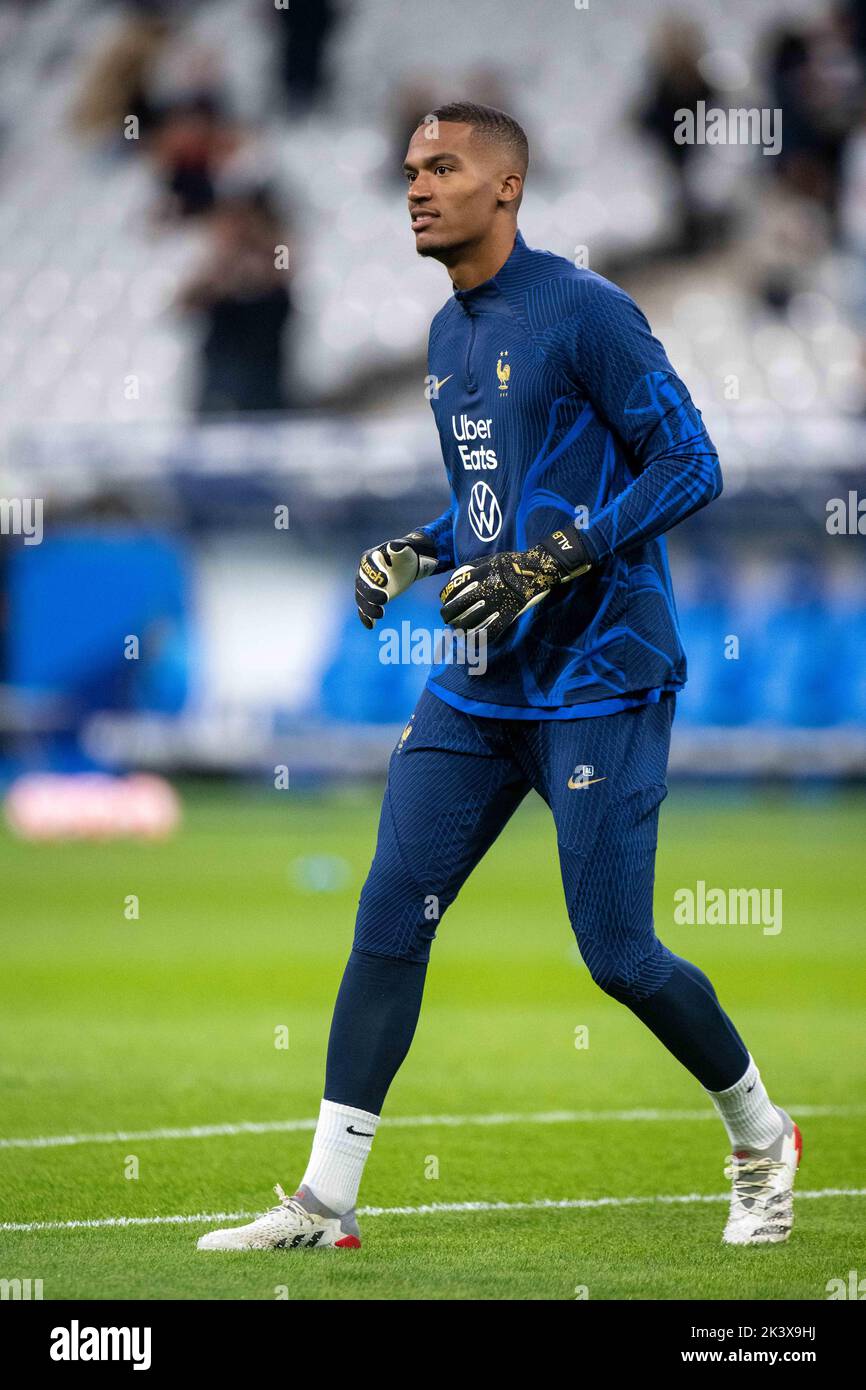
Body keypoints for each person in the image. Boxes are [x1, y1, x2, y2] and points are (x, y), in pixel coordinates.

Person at [198, 101, 801, 1254]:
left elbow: (692, 462)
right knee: (387, 916)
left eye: (443, 167)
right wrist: (421, 548)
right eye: (409, 168)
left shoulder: (584, 311)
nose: (415, 187)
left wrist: (555, 560)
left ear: (506, 186)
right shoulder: (446, 337)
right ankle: (324, 1204)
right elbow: (495, 504)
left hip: (599, 678)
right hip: (479, 682)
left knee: (618, 956)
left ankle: (759, 1134)